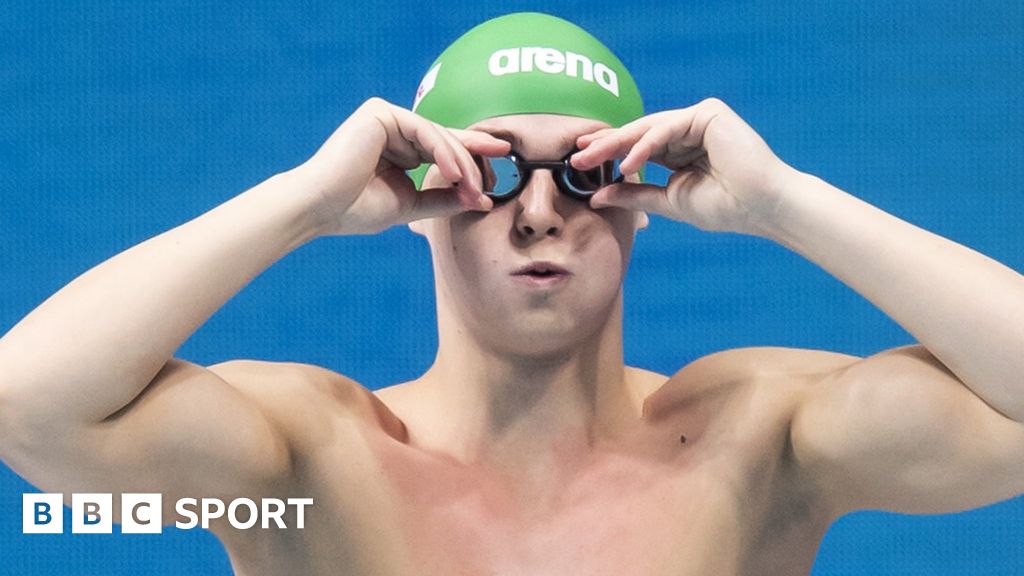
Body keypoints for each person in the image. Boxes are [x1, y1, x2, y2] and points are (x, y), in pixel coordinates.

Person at [1, 11, 1022, 576]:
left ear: (639, 191)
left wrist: (788, 203)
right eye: (489, 177)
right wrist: (302, 200)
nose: (538, 213)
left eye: (582, 172)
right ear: (421, 195)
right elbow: (26, 404)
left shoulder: (754, 439)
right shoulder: (308, 456)